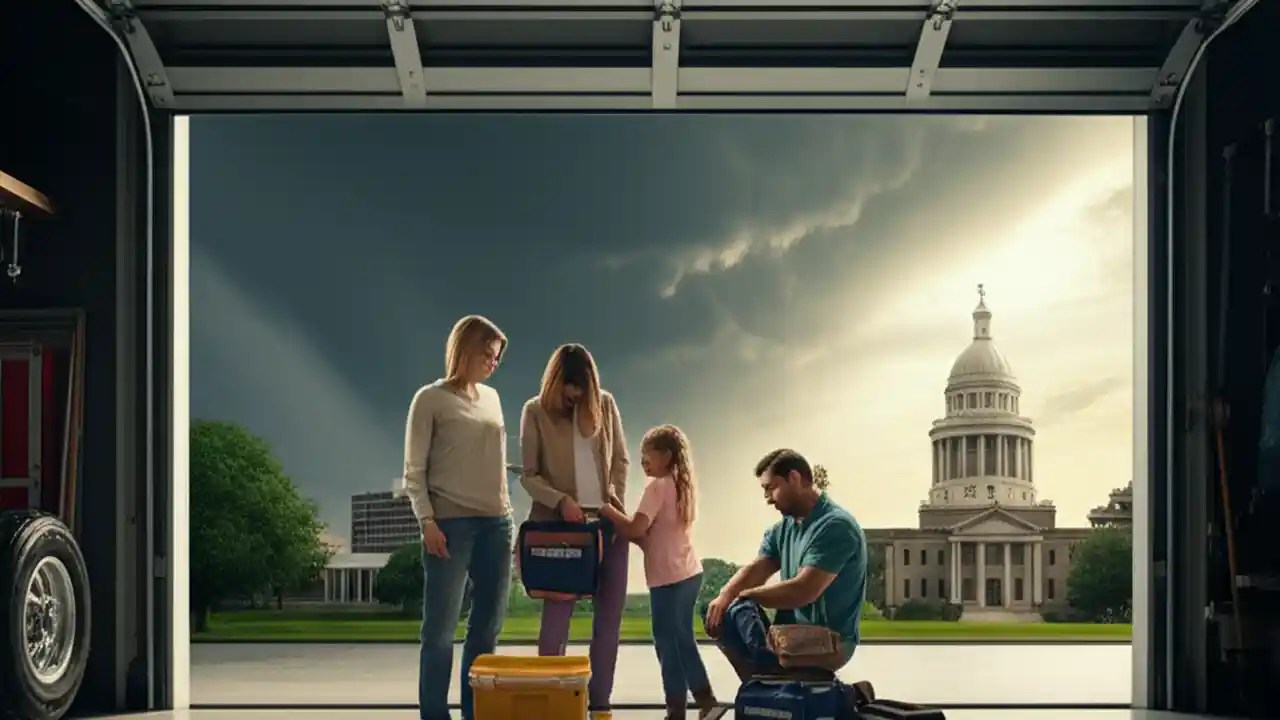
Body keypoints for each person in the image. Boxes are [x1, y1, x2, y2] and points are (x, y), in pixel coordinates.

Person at [402, 315, 514, 720]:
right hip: (450, 526)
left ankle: (475, 713)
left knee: (486, 630)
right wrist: (427, 522)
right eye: (487, 353)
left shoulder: (494, 398)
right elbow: (414, 471)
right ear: (463, 348)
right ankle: (434, 714)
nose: (493, 362)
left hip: (497, 525)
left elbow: (496, 464)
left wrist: (507, 516)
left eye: (497, 356)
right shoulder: (429, 399)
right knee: (439, 632)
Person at [518, 343, 630, 720]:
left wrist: (614, 502)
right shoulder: (534, 411)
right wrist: (560, 501)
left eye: (582, 387)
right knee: (557, 617)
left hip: (609, 526)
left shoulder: (607, 405)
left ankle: (599, 704)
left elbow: (621, 461)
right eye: (569, 386)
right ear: (554, 381)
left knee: (609, 619)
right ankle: (550, 701)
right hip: (560, 527)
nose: (576, 394)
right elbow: (528, 476)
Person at [702, 448, 868, 686]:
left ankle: (770, 687)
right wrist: (725, 596)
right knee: (717, 615)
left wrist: (746, 597)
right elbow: (757, 569)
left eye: (771, 488)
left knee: (742, 607)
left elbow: (803, 590)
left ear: (794, 478)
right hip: (790, 634)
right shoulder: (783, 529)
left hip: (830, 639)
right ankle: (768, 689)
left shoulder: (835, 526)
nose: (768, 498)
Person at [599, 425, 725, 720]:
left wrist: (605, 509)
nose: (643, 462)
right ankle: (699, 705)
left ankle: (688, 708)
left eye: (648, 456)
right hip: (688, 573)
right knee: (680, 640)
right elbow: (647, 539)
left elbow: (634, 529)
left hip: (668, 579)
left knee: (668, 645)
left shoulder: (656, 487)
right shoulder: (681, 485)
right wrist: (620, 514)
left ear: (666, 456)